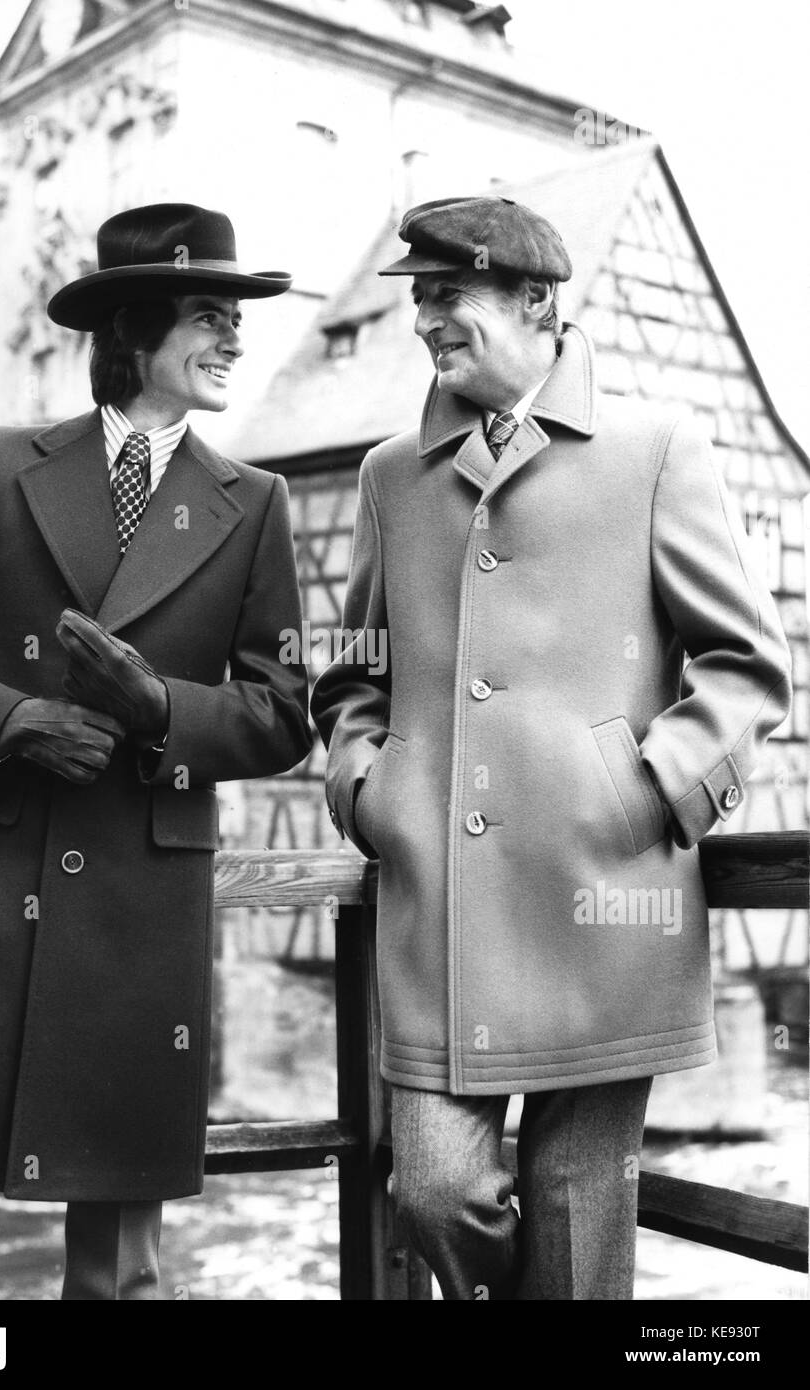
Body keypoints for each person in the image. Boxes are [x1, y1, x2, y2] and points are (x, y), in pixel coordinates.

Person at [310, 195, 792, 1300]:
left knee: (578, 1215)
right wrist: (364, 784)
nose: (425, 319)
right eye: (417, 298)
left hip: (609, 904)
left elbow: (747, 662)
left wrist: (645, 792)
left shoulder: (656, 449)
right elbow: (349, 669)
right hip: (438, 913)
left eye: (448, 294)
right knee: (434, 1189)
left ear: (534, 300)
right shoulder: (392, 475)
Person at [0, 203, 311, 1300]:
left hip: (143, 899)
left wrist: (159, 706)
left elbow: (283, 713)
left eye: (234, 319)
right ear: (134, 329)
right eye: (211, 314)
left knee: (119, 1263)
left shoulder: (256, 505)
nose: (234, 340)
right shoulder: (8, 463)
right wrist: (15, 722)